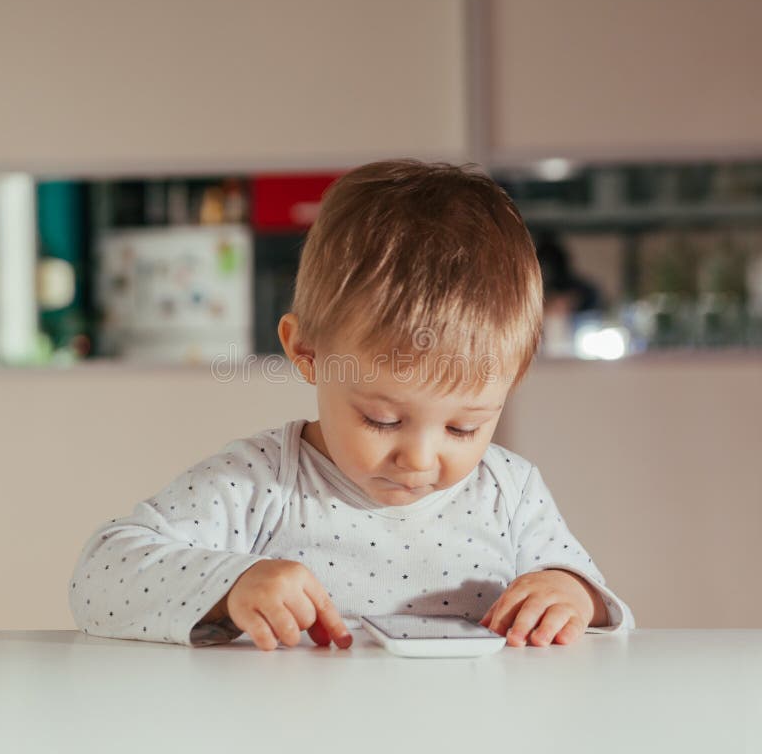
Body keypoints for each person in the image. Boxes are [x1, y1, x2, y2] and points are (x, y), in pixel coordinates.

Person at [69, 160, 635, 651]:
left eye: (464, 427)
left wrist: (569, 594)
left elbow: (600, 607)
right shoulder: (262, 483)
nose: (419, 459)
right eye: (382, 419)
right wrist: (231, 584)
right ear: (306, 352)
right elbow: (99, 575)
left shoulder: (511, 494)